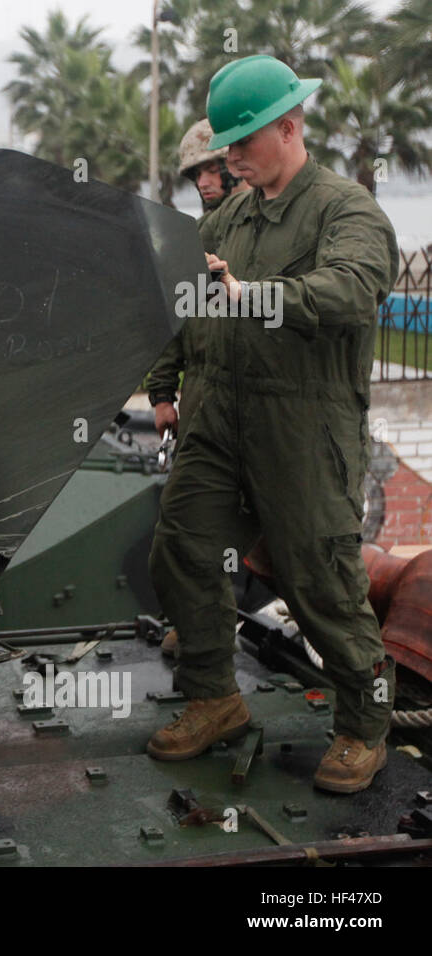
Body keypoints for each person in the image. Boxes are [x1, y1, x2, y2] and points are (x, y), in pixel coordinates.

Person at [146, 56, 399, 794]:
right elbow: (184, 305)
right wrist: (164, 387)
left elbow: (351, 292)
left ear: (289, 128)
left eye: (243, 140)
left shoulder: (346, 211)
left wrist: (254, 295)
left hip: (303, 427)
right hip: (217, 419)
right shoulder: (229, 216)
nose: (229, 156)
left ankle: (365, 725)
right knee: (182, 549)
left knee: (319, 581)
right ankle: (215, 699)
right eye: (225, 142)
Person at [146, 119, 249, 658]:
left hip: (265, 413)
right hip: (207, 410)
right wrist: (163, 395)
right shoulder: (197, 237)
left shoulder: (264, 231)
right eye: (196, 174)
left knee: (299, 550)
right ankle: (204, 631)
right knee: (186, 533)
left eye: (214, 168)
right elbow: (176, 323)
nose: (205, 182)